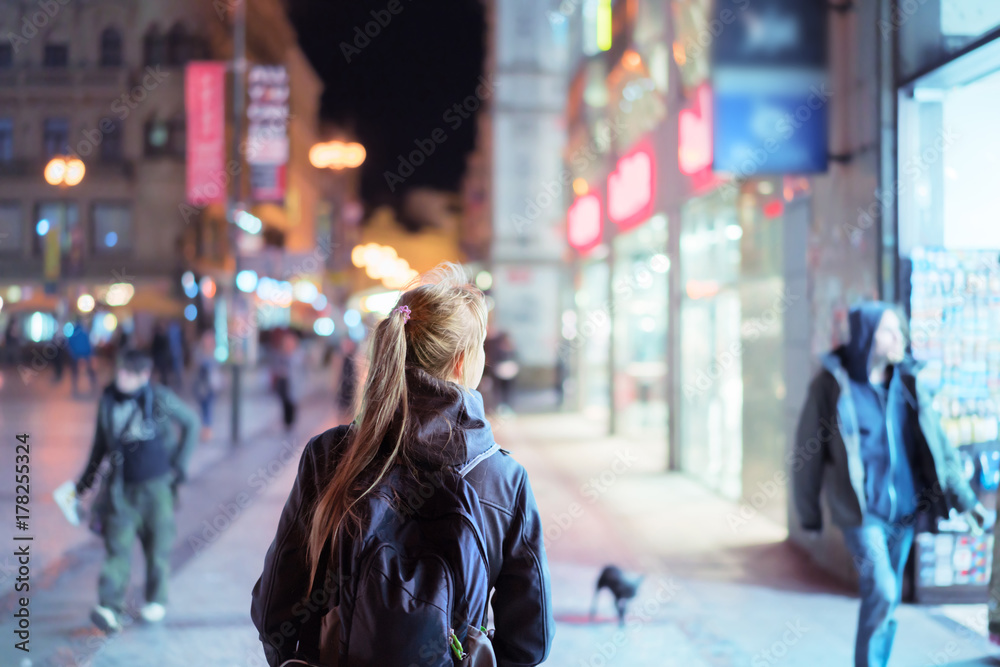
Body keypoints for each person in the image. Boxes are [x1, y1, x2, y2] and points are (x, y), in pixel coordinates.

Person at [250, 263, 553, 666]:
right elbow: (532, 638)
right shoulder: (503, 479)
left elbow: (274, 608)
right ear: (463, 361)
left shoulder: (329, 456)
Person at [793, 302, 987, 667]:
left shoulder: (908, 382)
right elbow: (807, 454)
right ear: (866, 336)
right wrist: (808, 515)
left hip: (906, 511)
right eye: (888, 330)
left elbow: (940, 445)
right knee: (881, 591)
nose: (899, 336)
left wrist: (966, 500)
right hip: (862, 513)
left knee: (889, 596)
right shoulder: (832, 387)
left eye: (899, 328)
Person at [73, 349, 200, 633]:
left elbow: (191, 423)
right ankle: (108, 607)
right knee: (116, 549)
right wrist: (82, 486)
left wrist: (179, 467)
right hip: (120, 492)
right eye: (120, 371)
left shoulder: (159, 397)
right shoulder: (108, 401)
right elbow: (99, 447)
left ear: (144, 376)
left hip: (157, 489)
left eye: (129, 374)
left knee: (158, 547)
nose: (121, 377)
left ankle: (156, 599)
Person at [270, 330, 304, 432]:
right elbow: (275, 367)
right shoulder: (281, 353)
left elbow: (300, 369)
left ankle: (290, 422)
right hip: (283, 382)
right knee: (284, 402)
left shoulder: (298, 354)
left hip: (293, 383)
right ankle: (286, 422)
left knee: (292, 402)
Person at [192, 330, 222, 441]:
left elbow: (216, 370)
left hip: (210, 386)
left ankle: (207, 429)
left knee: (209, 407)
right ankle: (205, 428)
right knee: (203, 408)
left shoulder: (214, 353)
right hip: (201, 386)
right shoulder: (199, 353)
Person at [67, 319, 98, 395]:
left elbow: (69, 345)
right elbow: (88, 344)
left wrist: (73, 355)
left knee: (75, 372)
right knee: (90, 371)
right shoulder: (85, 332)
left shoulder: (73, 333)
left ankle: (75, 386)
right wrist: (90, 354)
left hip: (76, 355)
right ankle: (93, 384)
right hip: (86, 354)